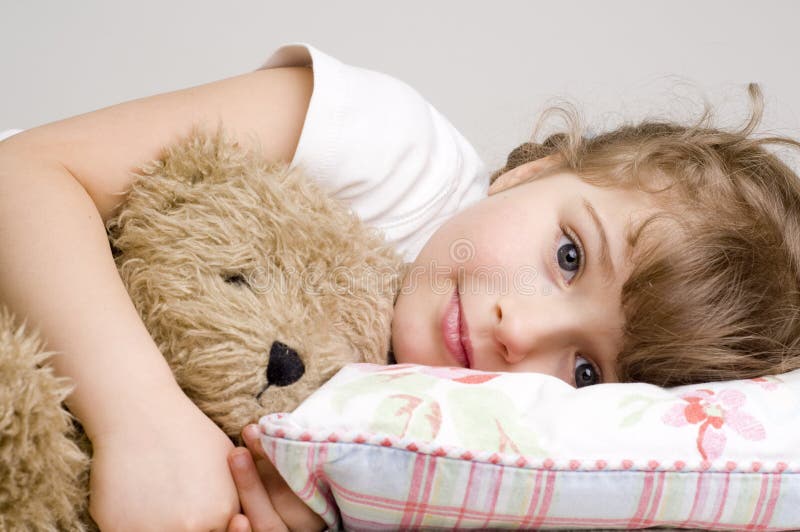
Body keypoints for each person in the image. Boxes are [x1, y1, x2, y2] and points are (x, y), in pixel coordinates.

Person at [2, 42, 800, 530]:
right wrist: (140, 417)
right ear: (539, 167)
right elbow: (24, 174)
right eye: (567, 257)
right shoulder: (390, 144)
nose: (519, 333)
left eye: (586, 371)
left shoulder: (454, 466)